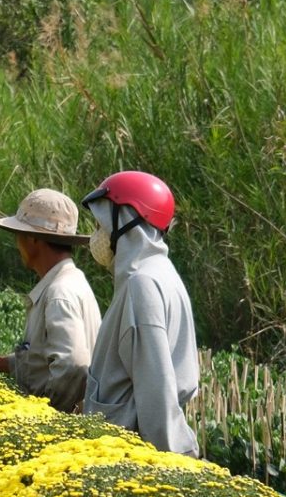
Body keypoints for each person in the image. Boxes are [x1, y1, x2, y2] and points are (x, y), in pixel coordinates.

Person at [81, 171, 200, 456]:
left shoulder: (141, 284)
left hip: (126, 455)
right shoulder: (160, 273)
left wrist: (172, 464)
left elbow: (156, 393)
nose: (96, 235)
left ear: (125, 219)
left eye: (100, 224)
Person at [0, 188, 102, 412]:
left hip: (61, 425)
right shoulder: (72, 280)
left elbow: (73, 365)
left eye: (19, 235)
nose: (18, 244)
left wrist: (46, 416)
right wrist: (5, 363)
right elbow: (47, 356)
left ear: (33, 239)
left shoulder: (59, 293)